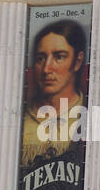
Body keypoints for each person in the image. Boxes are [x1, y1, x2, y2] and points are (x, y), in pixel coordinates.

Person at [21, 19, 87, 166]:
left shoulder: (88, 114)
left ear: (77, 61)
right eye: (41, 59)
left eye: (59, 57)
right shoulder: (22, 118)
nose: (46, 69)